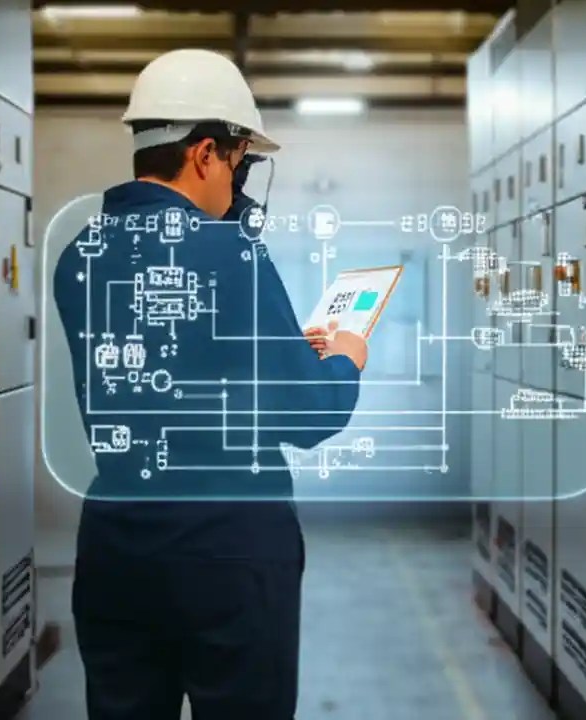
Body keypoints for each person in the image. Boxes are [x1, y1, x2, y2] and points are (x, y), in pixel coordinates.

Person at [52, 49, 368, 720]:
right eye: (239, 161)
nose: (241, 180)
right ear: (204, 154)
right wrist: (344, 356)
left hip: (115, 546)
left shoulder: (80, 253)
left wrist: (274, 349)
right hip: (228, 553)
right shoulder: (231, 255)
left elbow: (177, 369)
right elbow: (310, 415)